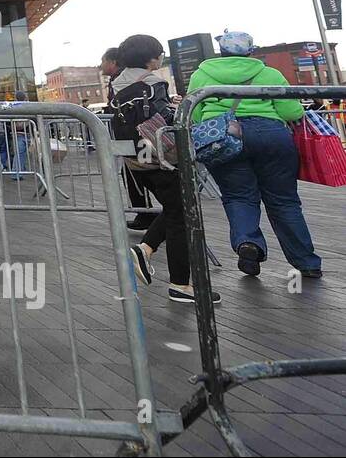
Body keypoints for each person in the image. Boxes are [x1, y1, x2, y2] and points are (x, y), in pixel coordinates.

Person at [187, 31, 322, 279]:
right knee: (284, 201)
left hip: (225, 136)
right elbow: (292, 112)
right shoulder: (270, 74)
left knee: (239, 197)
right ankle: (307, 262)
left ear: (221, 51)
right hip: (271, 135)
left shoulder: (201, 75)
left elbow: (195, 115)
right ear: (251, 51)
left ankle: (248, 244)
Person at [111, 34, 216, 304]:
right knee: (179, 215)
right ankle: (180, 284)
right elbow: (162, 119)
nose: (161, 58)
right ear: (150, 58)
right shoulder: (153, 82)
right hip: (162, 157)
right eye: (159, 54)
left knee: (175, 209)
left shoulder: (117, 82)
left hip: (136, 159)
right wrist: (179, 108)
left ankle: (146, 249)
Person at [103, 45, 154, 230]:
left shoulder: (122, 79)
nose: (101, 65)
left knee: (139, 171)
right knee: (136, 171)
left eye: (104, 61)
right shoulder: (120, 78)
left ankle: (147, 213)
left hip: (134, 134)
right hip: (137, 134)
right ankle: (146, 211)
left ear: (113, 62)